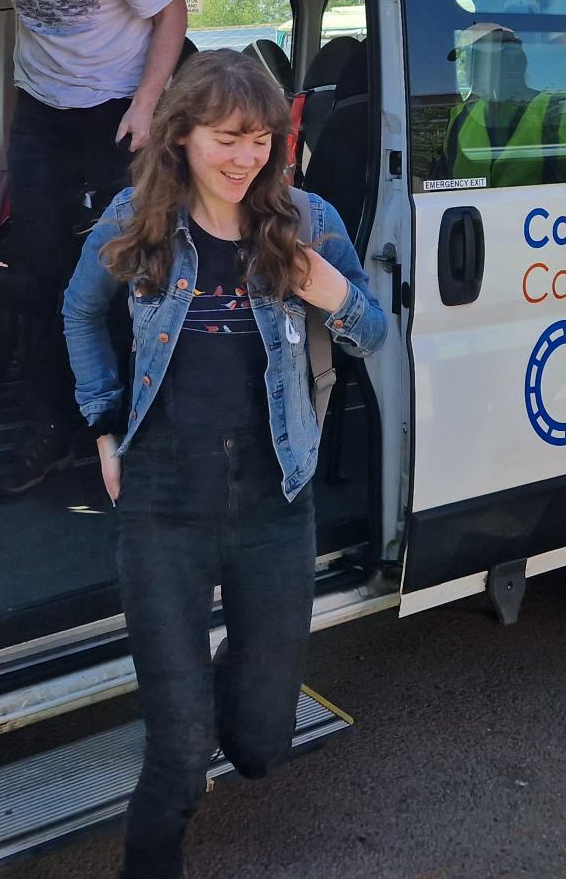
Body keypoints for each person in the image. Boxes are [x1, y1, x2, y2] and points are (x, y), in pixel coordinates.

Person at [63, 51, 388, 879]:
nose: (247, 158)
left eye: (262, 140)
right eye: (227, 138)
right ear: (181, 136)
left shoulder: (307, 222)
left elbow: (376, 332)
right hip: (162, 500)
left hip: (276, 501)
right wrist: (103, 425)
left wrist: (332, 296)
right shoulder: (135, 221)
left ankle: (206, 696)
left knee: (260, 738)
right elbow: (78, 309)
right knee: (177, 750)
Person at [0, 0, 188, 498]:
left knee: (119, 274)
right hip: (43, 110)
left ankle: (131, 430)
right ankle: (47, 429)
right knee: (34, 276)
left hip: (117, 113)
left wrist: (148, 103)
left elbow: (171, 16)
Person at [440, 24, 566, 184]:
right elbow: (442, 183)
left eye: (474, 59)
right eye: (466, 61)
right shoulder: (460, 116)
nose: (466, 70)